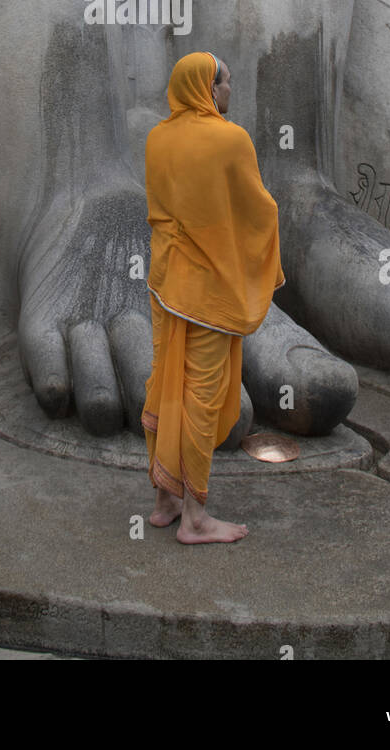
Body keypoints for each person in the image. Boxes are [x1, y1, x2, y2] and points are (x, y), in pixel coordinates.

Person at [142, 51, 285, 544]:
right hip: (207, 291)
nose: (229, 92)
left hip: (165, 284)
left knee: (166, 384)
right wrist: (270, 223)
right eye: (224, 84)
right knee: (201, 397)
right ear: (208, 88)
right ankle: (196, 519)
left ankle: (165, 500)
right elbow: (255, 207)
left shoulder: (156, 137)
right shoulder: (230, 139)